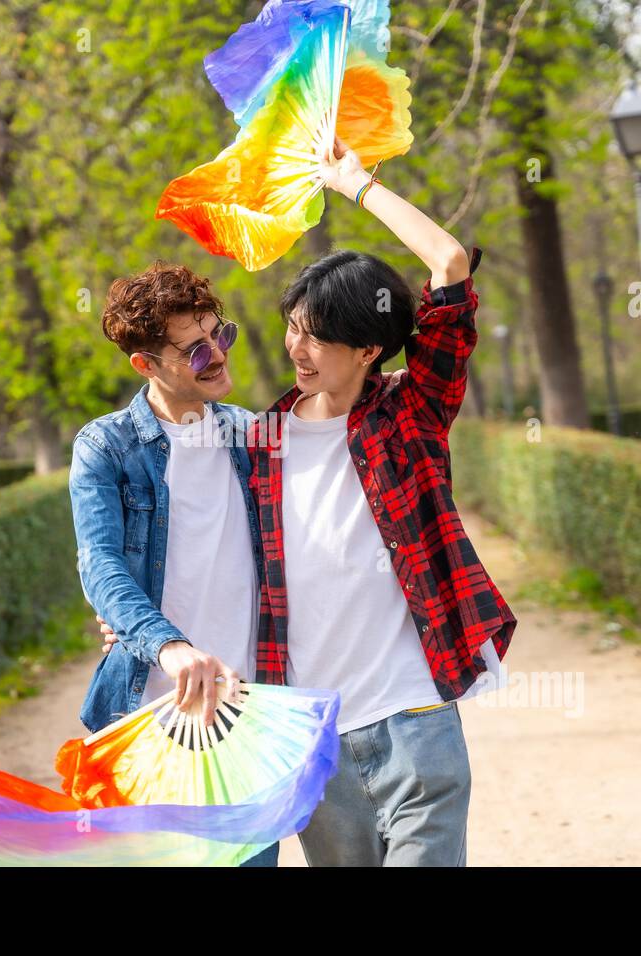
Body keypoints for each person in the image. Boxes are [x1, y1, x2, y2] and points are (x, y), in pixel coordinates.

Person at [244, 137, 517, 865]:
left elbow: (449, 265)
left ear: (368, 349)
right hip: (313, 735)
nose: (296, 350)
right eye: (292, 329)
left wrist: (357, 184)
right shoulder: (255, 443)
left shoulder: (410, 412)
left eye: (318, 338)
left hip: (415, 719)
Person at [67, 260, 274, 867]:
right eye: (196, 350)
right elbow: (101, 565)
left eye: (222, 335)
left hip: (251, 716)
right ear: (145, 364)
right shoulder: (105, 447)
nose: (219, 356)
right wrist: (165, 644)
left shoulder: (252, 436)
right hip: (150, 714)